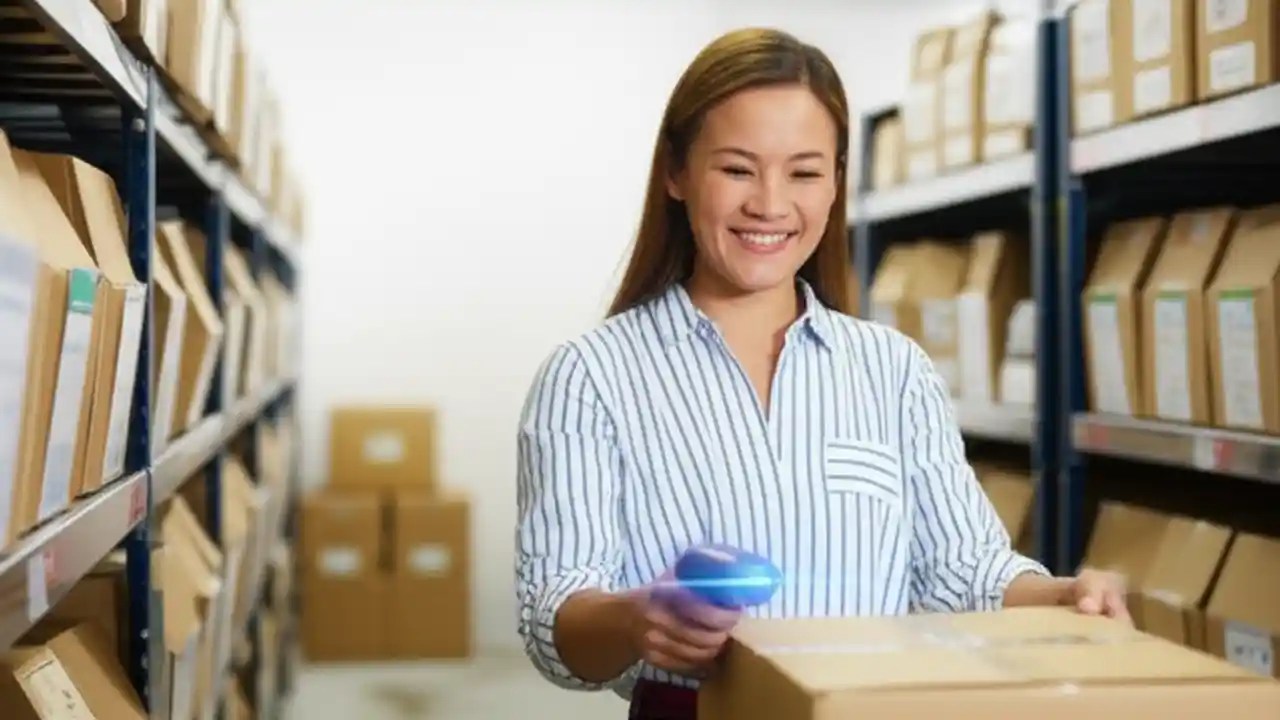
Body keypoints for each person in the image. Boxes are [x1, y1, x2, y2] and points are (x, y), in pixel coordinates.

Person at [514, 27, 1126, 720]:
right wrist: (636, 619)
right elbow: (553, 615)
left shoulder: (892, 371)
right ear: (676, 174)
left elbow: (963, 570)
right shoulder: (590, 378)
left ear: (837, 182)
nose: (771, 205)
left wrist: (1063, 596)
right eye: (738, 169)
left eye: (804, 172)